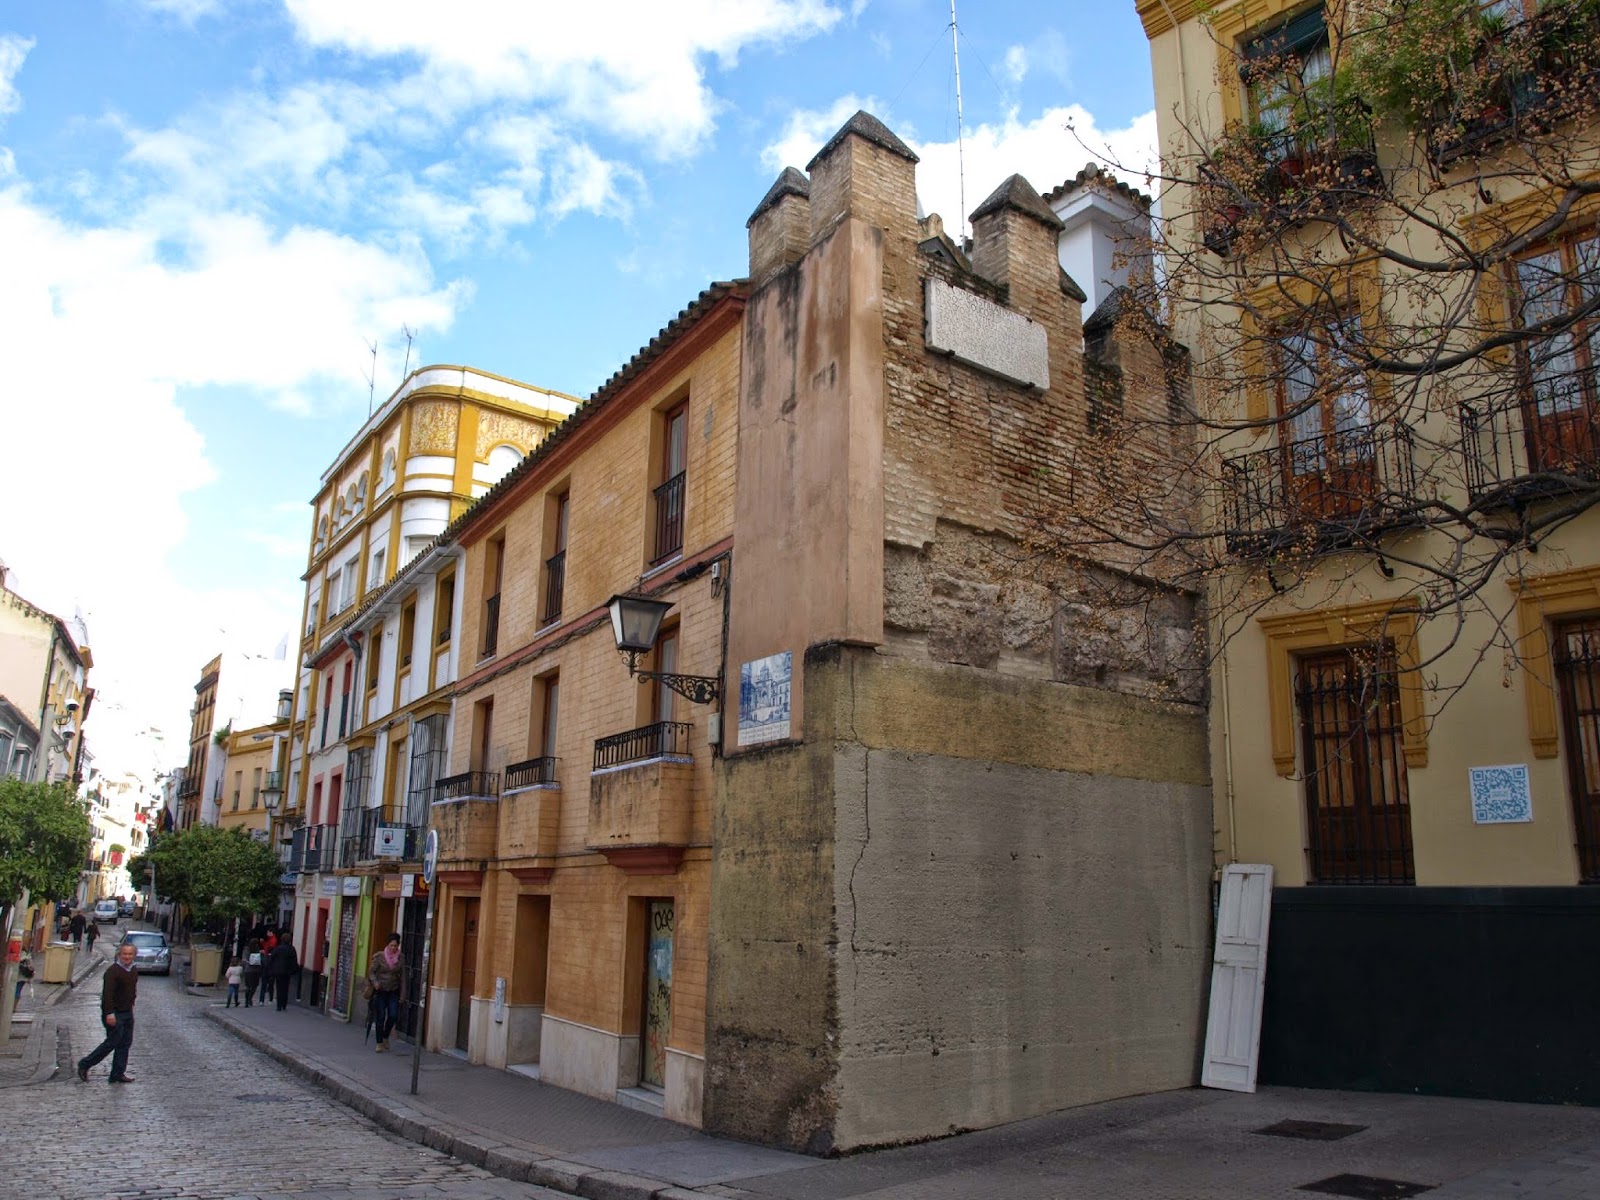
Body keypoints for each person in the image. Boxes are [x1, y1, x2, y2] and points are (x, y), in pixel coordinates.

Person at [76, 941, 139, 1084]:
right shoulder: (113, 971)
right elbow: (107, 994)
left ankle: (117, 1073)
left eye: (130, 954)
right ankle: (85, 1064)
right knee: (111, 1043)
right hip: (114, 1013)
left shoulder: (133, 970)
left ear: (134, 955)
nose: (127, 957)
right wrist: (109, 1013)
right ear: (119, 954)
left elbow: (131, 991)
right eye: (124, 954)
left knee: (124, 1044)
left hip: (127, 1012)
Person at [365, 933, 406, 1052]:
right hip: (380, 991)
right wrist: (375, 982)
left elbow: (403, 977)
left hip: (393, 991)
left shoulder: (401, 958)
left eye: (395, 946)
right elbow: (371, 972)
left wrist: (403, 995)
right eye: (391, 945)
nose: (393, 948)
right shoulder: (379, 957)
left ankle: (385, 1036)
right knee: (380, 1016)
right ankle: (379, 1043)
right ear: (387, 945)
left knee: (393, 1015)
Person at [266, 933, 298, 1011]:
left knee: (279, 987)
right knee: (285, 988)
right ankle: (284, 1004)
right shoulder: (291, 949)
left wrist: (271, 969)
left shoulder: (278, 948)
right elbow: (294, 961)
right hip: (287, 971)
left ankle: (279, 1005)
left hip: (278, 971)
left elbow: (271, 959)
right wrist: (293, 970)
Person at [257, 929, 278, 1004]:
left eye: (268, 932)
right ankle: (270, 999)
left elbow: (268, 947)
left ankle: (262, 1000)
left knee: (264, 984)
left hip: (266, 969)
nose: (266, 933)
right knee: (270, 985)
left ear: (271, 932)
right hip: (271, 970)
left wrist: (264, 950)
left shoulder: (273, 940)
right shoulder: (271, 940)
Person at [241, 938, 263, 1008]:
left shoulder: (246, 950)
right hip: (256, 970)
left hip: (248, 970)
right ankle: (249, 998)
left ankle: (247, 1001)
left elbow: (244, 959)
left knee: (248, 986)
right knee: (254, 986)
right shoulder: (257, 950)